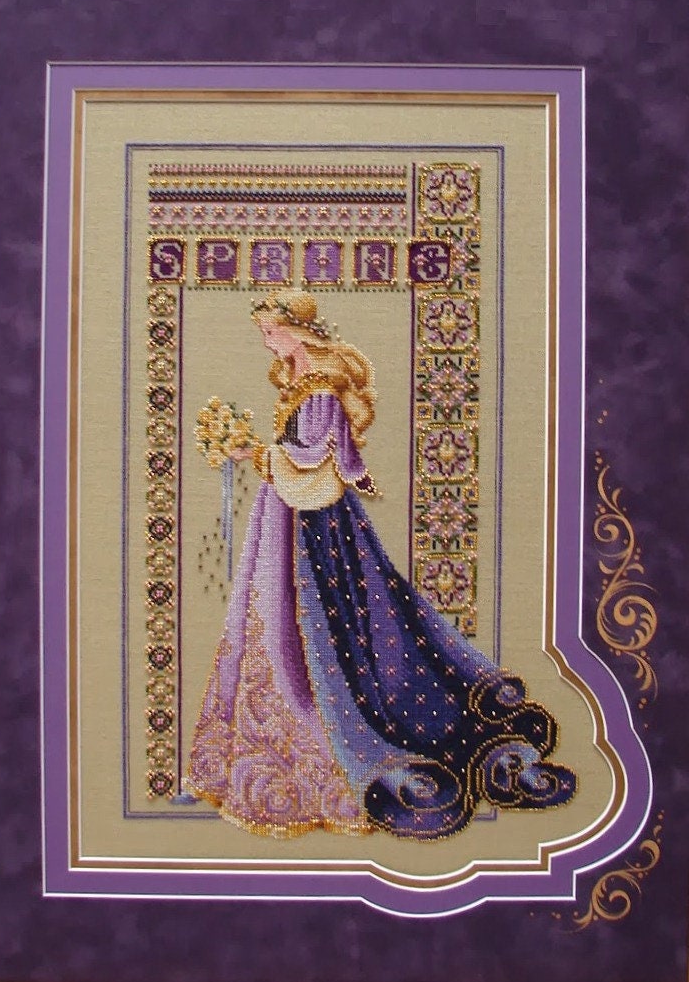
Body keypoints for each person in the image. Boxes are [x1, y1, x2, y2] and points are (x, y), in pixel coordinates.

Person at [182, 292, 576, 839]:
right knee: (281, 627)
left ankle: (338, 746)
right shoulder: (299, 384)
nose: (268, 341)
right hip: (292, 515)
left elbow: (313, 458)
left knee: (322, 630)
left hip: (313, 524)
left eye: (272, 331)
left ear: (298, 331)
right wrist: (260, 452)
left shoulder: (320, 390)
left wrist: (256, 453)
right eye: (265, 333)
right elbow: (313, 455)